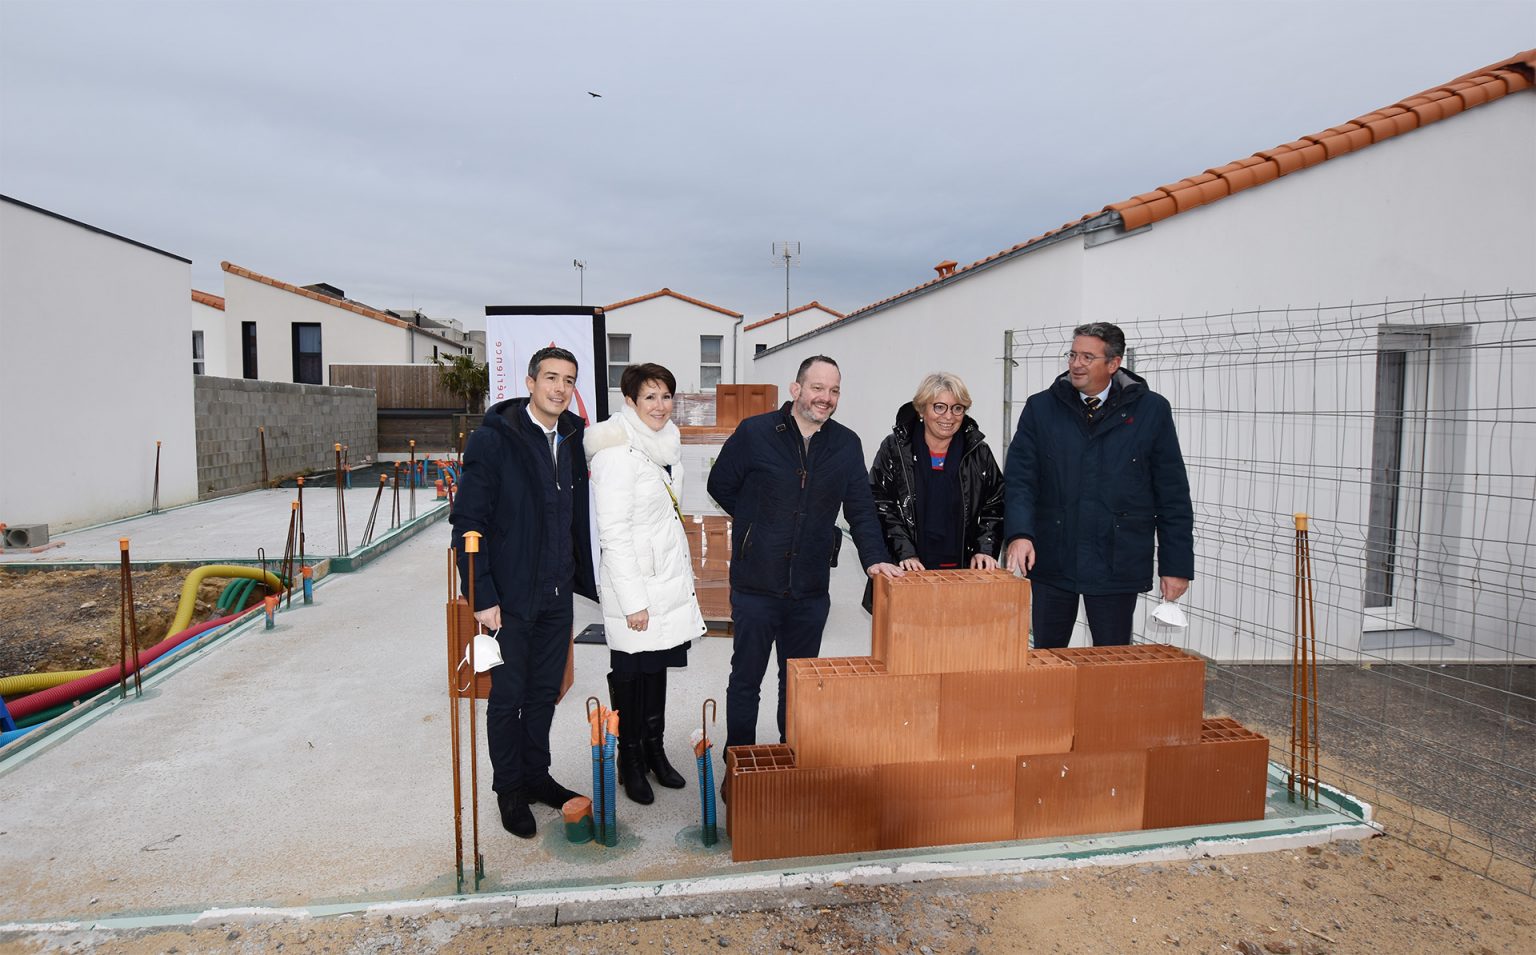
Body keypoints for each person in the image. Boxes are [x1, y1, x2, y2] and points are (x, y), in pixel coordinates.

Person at [707, 355, 903, 760]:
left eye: (834, 390)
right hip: (756, 584)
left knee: (797, 681)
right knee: (746, 680)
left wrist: (874, 559)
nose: (826, 398)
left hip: (810, 588)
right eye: (817, 387)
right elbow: (721, 484)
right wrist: (755, 527)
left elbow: (861, 509)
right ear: (796, 389)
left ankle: (788, 757)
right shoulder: (755, 433)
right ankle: (737, 760)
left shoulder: (846, 444)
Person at [450, 345, 598, 839]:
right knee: (507, 697)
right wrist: (482, 594)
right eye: (551, 377)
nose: (560, 388)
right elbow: (467, 524)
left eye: (569, 380)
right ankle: (509, 790)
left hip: (557, 596)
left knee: (542, 695)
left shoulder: (574, 438)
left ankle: (536, 776)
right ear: (530, 382)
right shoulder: (496, 440)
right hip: (509, 598)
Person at [1003, 322, 1194, 648]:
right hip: (1053, 558)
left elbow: (1172, 494)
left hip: (1116, 561)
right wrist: (1020, 534)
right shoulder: (1042, 408)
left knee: (1111, 663)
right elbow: (1020, 480)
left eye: (1087, 357)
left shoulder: (1151, 411)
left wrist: (1176, 567)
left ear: (1113, 363)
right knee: (1048, 658)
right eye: (1073, 355)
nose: (1076, 364)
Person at [583, 362, 706, 805]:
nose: (660, 405)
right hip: (633, 587)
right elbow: (612, 533)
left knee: (657, 669)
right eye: (649, 397)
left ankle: (655, 751)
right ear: (630, 402)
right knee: (631, 673)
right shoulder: (617, 452)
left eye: (666, 396)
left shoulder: (665, 444)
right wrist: (634, 602)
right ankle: (629, 760)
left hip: (664, 581)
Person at [864, 372, 1005, 611]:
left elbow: (996, 502)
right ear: (921, 410)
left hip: (961, 570)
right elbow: (879, 503)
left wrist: (985, 549)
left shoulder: (978, 453)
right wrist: (904, 552)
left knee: (956, 642)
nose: (948, 416)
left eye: (957, 408)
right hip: (906, 569)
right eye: (939, 407)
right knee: (907, 641)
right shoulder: (895, 448)